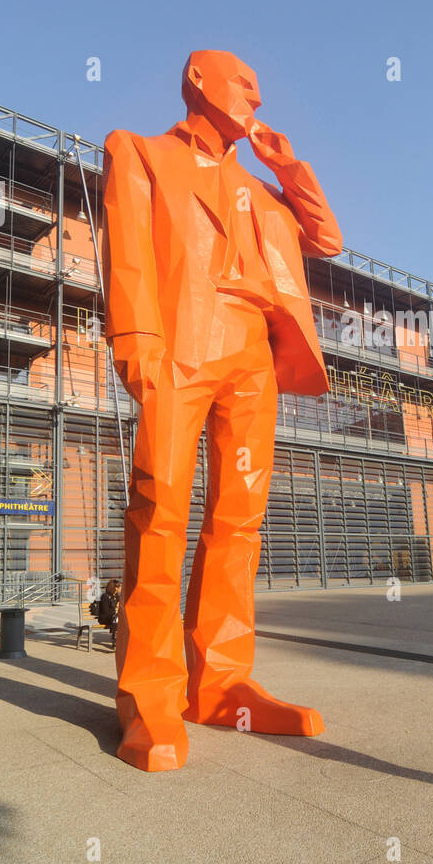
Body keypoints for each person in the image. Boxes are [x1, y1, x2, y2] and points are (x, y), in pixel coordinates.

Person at [102, 50, 342, 771]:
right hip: (178, 347)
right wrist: (135, 344)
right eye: (245, 87)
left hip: (251, 358)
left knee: (238, 519)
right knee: (161, 510)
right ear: (198, 82)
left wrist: (288, 167)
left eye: (261, 95)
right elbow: (129, 257)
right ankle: (149, 695)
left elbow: (326, 239)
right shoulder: (137, 151)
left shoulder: (262, 193)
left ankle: (223, 682)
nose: (256, 102)